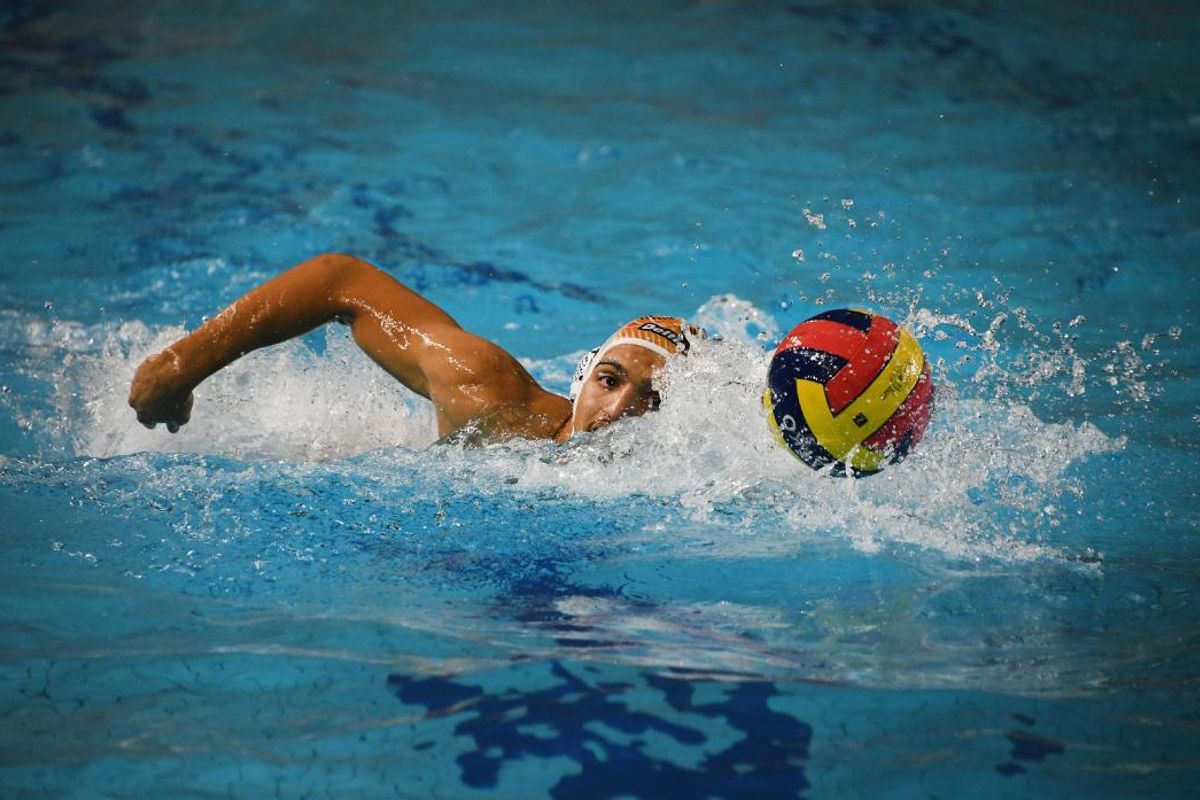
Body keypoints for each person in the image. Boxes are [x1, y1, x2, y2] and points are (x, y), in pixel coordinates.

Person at [128, 252, 694, 444]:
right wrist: (181, 366)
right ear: (582, 377)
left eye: (654, 399)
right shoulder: (490, 395)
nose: (617, 412)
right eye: (610, 380)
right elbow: (339, 278)